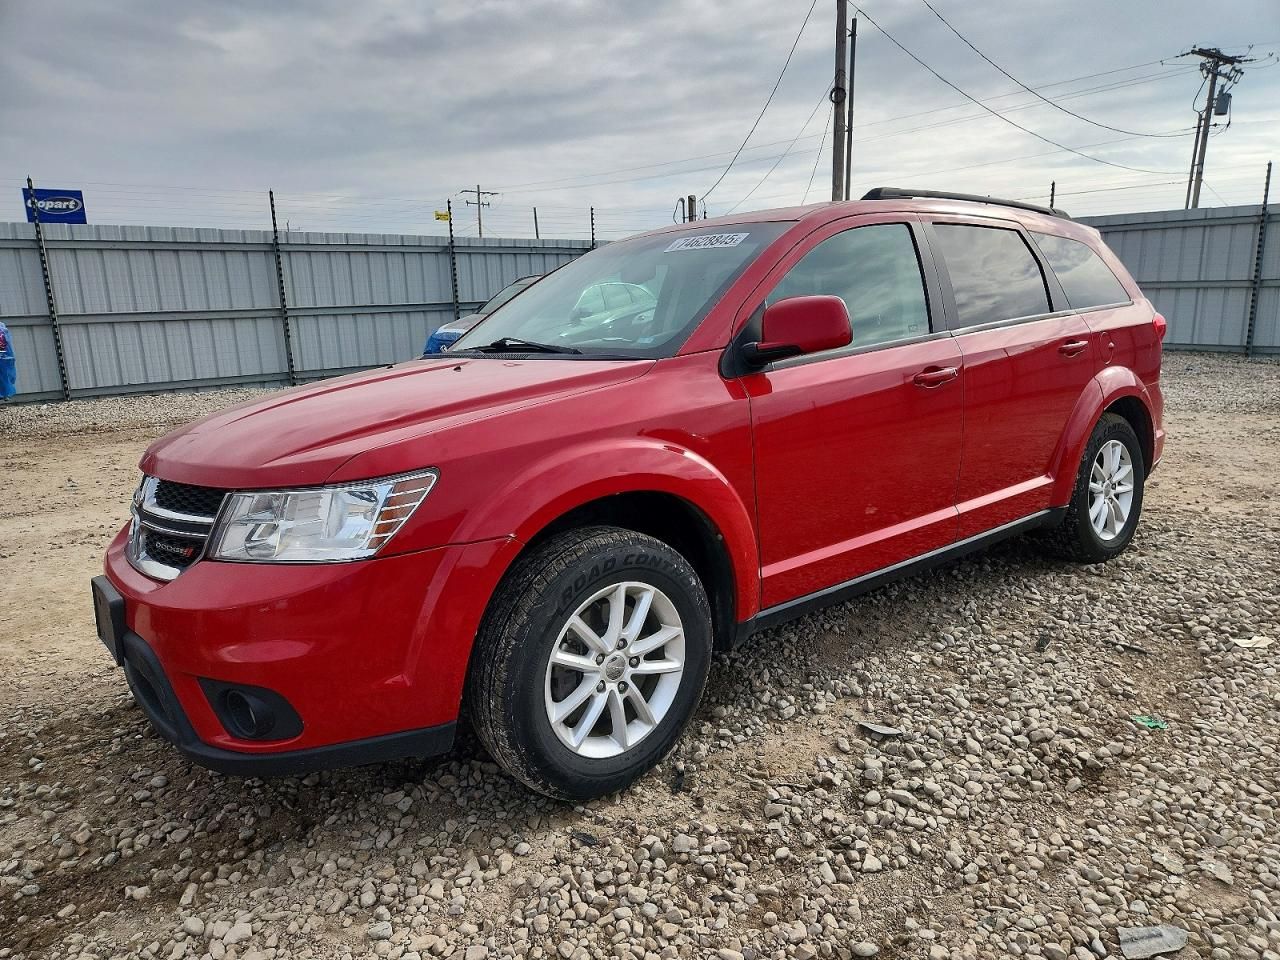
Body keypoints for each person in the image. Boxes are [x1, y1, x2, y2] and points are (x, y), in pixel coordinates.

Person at [0, 320, 16, 399]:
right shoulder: (2, 328)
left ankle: (5, 394)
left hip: (3, 357)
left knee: (4, 375)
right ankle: (5, 394)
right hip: (4, 357)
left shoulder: (2, 328)